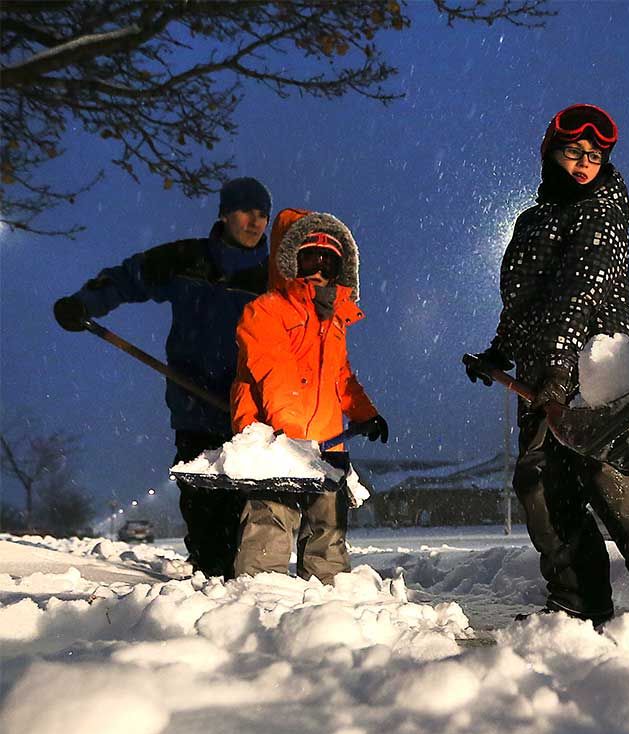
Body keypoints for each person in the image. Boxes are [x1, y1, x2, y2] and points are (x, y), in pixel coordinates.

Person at [467, 104, 629, 636]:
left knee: (618, 480)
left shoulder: (601, 212)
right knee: (543, 487)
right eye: (573, 152)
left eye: (594, 156)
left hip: (594, 369)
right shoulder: (533, 221)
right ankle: (578, 601)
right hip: (543, 377)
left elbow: (577, 294)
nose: (583, 164)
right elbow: (527, 303)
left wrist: (560, 368)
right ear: (550, 154)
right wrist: (501, 351)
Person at [53, 177, 273, 578]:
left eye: (262, 214)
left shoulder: (273, 277)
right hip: (193, 403)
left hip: (249, 412)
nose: (255, 222)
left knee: (244, 509)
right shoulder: (186, 259)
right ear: (224, 213)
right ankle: (209, 579)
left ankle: (239, 586)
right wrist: (84, 303)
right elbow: (127, 277)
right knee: (200, 500)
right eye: (245, 211)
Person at [230, 208, 388, 583]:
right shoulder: (266, 311)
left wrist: (364, 413)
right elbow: (275, 375)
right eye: (309, 258)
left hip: (326, 442)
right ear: (291, 261)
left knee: (328, 533)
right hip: (275, 440)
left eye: (328, 262)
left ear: (341, 270)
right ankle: (259, 598)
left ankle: (327, 601)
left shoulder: (332, 321)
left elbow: (341, 376)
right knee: (270, 525)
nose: (318, 269)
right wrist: (292, 440)